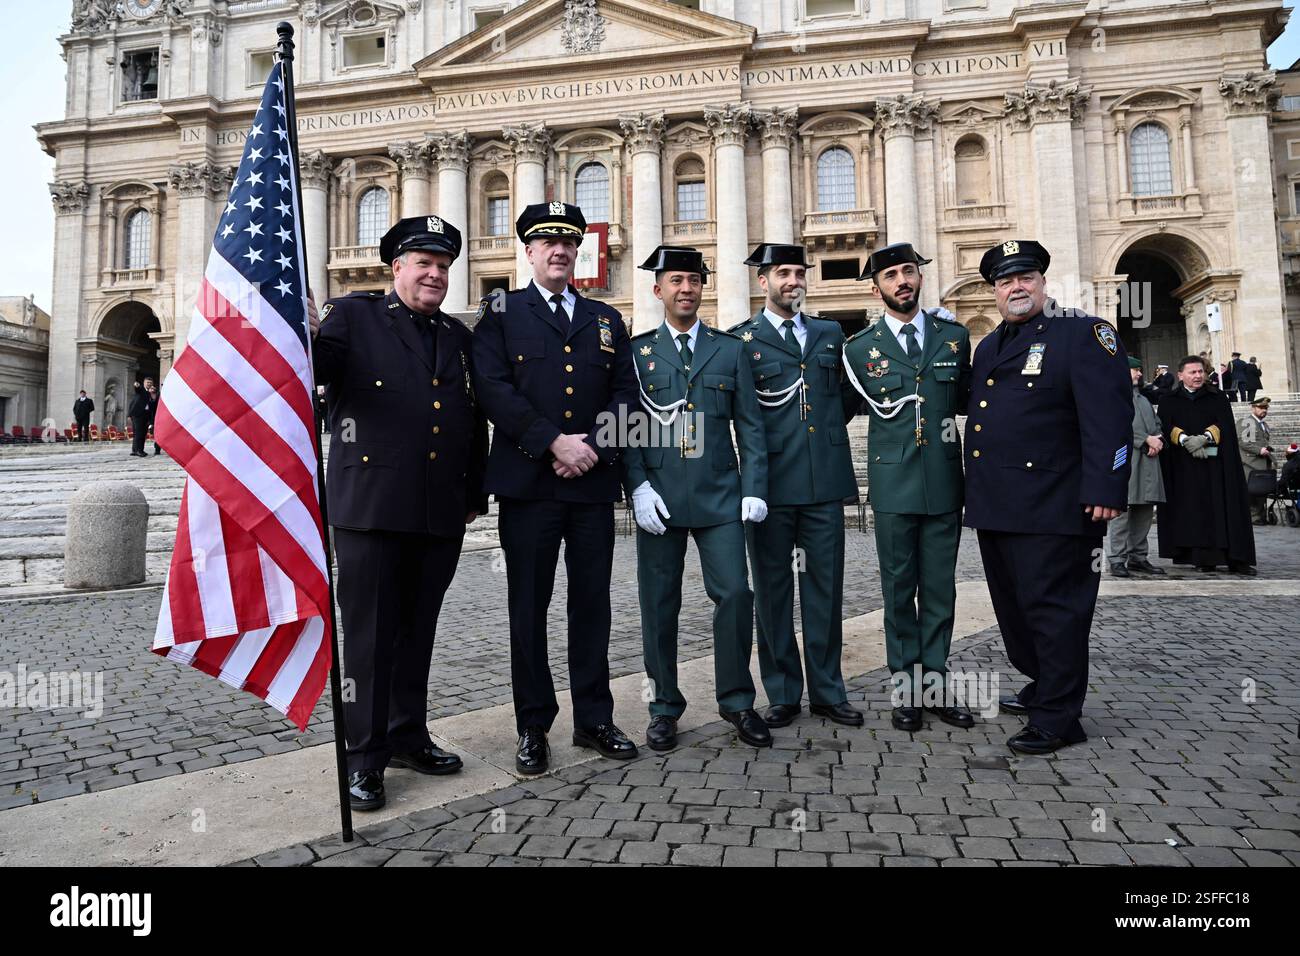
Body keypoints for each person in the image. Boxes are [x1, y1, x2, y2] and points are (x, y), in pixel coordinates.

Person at [309, 215, 489, 811]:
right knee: (368, 638)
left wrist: (471, 496)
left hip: (439, 510)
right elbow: (318, 370)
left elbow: (470, 419)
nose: (435, 274)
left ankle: (409, 735)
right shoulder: (354, 316)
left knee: (417, 633)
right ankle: (363, 756)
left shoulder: (457, 337)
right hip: (371, 509)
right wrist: (299, 332)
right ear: (397, 269)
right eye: (423, 264)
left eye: (443, 266)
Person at [471, 201, 640, 775]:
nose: (560, 251)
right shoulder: (500, 312)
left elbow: (626, 395)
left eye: (569, 242)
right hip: (529, 486)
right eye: (548, 242)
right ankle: (533, 726)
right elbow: (492, 388)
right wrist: (552, 443)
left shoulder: (605, 318)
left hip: (591, 485)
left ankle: (594, 719)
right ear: (529, 251)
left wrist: (590, 447)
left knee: (592, 605)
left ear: (578, 251)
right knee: (529, 608)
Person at [963, 239, 1132, 755]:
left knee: (1054, 610)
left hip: (1058, 504)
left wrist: (1106, 484)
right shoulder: (990, 345)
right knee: (1014, 609)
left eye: (1025, 278)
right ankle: (1042, 683)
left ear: (1041, 282)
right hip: (1000, 504)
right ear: (994, 291)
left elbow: (1110, 414)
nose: (1016, 288)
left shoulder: (1083, 334)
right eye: (1005, 281)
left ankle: (1059, 718)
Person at [625, 245, 770, 751]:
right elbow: (628, 428)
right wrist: (637, 486)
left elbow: (751, 426)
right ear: (658, 289)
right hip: (659, 499)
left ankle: (737, 701)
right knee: (659, 604)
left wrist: (754, 489)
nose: (685, 288)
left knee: (735, 593)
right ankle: (664, 707)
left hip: (720, 497)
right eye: (676, 281)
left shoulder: (729, 350)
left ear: (702, 287)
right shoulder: (637, 353)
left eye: (693, 280)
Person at [727, 243, 862, 730]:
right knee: (773, 592)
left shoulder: (830, 333)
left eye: (799, 273)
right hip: (770, 489)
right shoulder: (744, 340)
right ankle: (783, 691)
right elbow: (743, 417)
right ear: (763, 281)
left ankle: (828, 691)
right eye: (783, 273)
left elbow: (845, 399)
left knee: (826, 592)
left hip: (824, 483)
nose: (793, 281)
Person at [843, 243, 974, 731]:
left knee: (940, 591)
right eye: (891, 275)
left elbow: (970, 404)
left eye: (909, 272)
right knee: (899, 592)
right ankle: (906, 690)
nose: (902, 281)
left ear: (919, 278)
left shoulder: (955, 338)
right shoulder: (857, 349)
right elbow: (840, 414)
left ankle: (935, 686)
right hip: (893, 482)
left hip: (943, 480)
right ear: (876, 287)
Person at [1156, 355, 1256, 574]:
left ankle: (1235, 557)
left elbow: (1225, 426)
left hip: (1216, 466)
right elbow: (1164, 427)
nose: (1198, 376)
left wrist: (1205, 438)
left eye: (1200, 371)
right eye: (1192, 372)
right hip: (1183, 467)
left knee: (1223, 508)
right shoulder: (1168, 400)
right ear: (1180, 375)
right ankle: (1202, 558)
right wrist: (1185, 440)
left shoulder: (1218, 397)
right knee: (1193, 511)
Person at [1107, 356, 1166, 577]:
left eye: (1140, 370)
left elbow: (1157, 423)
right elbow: (1114, 425)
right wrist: (1144, 440)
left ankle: (1138, 557)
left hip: (1149, 462)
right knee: (1121, 512)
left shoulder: (1143, 399)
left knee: (1144, 511)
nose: (1139, 374)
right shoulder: (1112, 398)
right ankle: (1117, 559)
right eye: (1135, 370)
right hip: (1126, 461)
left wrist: (1158, 439)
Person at [1238, 395, 1274, 524]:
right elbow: (1243, 442)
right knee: (1253, 491)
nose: (1264, 410)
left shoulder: (1262, 424)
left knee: (1261, 491)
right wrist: (1259, 450)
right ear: (1253, 408)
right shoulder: (1248, 422)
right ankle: (1254, 517)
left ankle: (1260, 516)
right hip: (1250, 463)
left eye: (1266, 408)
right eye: (1261, 407)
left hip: (1262, 463)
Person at [128, 378, 155, 457]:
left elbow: (151, 405)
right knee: (139, 433)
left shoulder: (150, 393)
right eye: (147, 382)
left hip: (145, 415)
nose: (149, 384)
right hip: (138, 415)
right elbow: (137, 388)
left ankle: (135, 450)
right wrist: (137, 385)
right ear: (144, 383)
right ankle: (139, 451)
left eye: (150, 382)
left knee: (141, 433)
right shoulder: (142, 390)